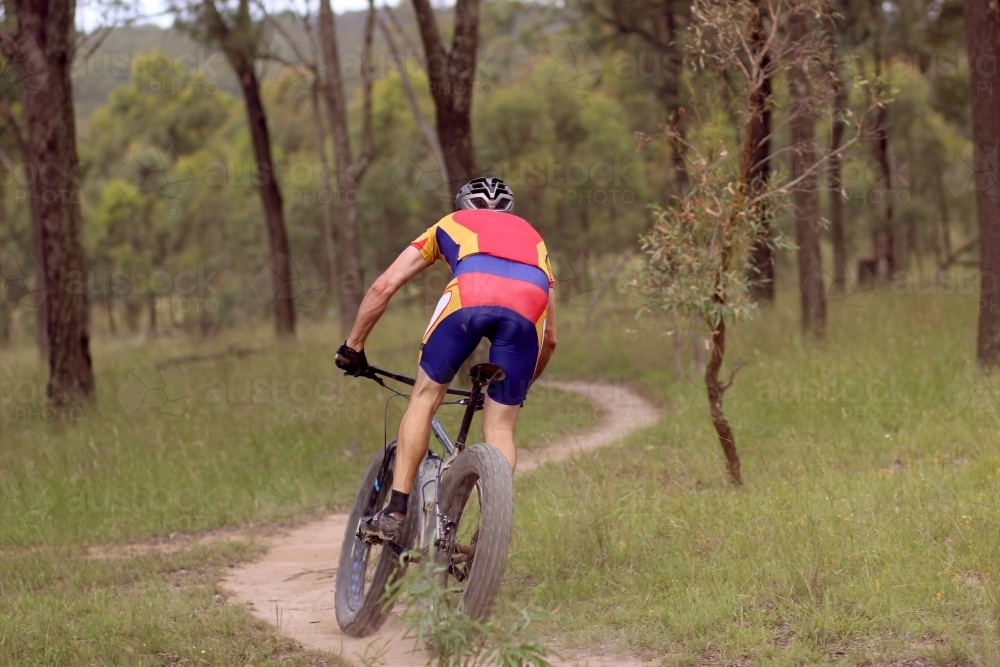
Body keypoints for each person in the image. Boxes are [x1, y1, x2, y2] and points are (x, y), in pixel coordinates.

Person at [335, 177, 558, 542]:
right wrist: (519, 390)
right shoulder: (534, 238)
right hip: (527, 309)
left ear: (462, 205)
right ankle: (490, 534)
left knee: (424, 398)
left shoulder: (449, 223)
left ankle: (396, 511)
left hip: (468, 300)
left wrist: (353, 347)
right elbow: (549, 340)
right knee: (501, 427)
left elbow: (383, 286)